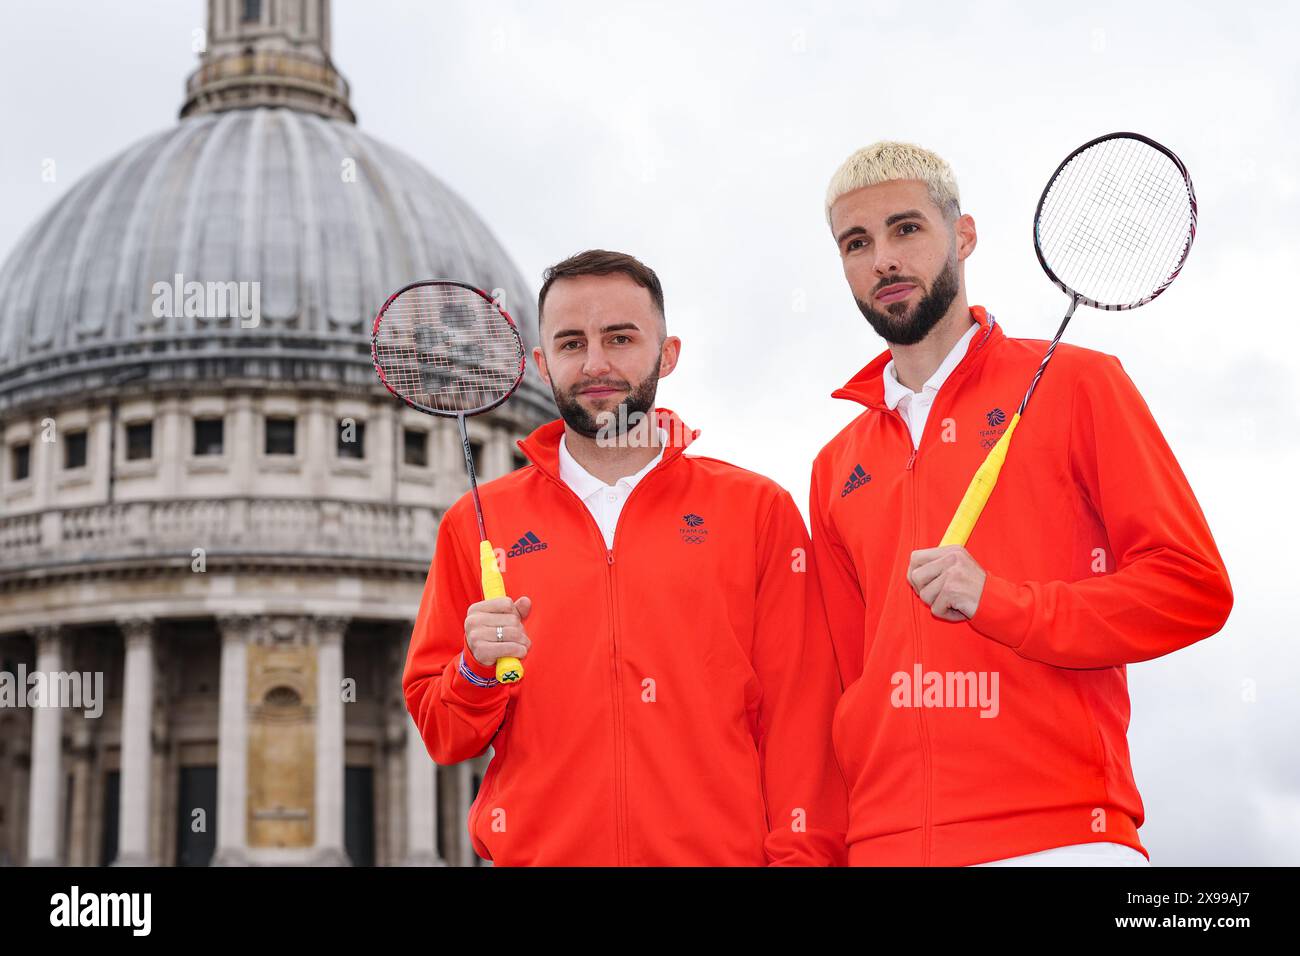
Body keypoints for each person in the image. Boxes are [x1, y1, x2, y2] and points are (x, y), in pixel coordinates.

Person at [810, 141, 1233, 866]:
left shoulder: (1079, 385)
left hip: (1058, 837)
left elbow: (1192, 588)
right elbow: (838, 683)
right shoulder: (834, 466)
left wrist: (1006, 604)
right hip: (884, 847)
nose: (882, 258)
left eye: (905, 229)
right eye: (858, 242)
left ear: (962, 236)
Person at [404, 249, 847, 865]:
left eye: (620, 338)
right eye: (570, 343)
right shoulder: (474, 525)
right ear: (540, 365)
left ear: (668, 354)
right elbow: (443, 734)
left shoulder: (757, 511)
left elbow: (803, 721)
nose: (596, 364)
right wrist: (475, 671)